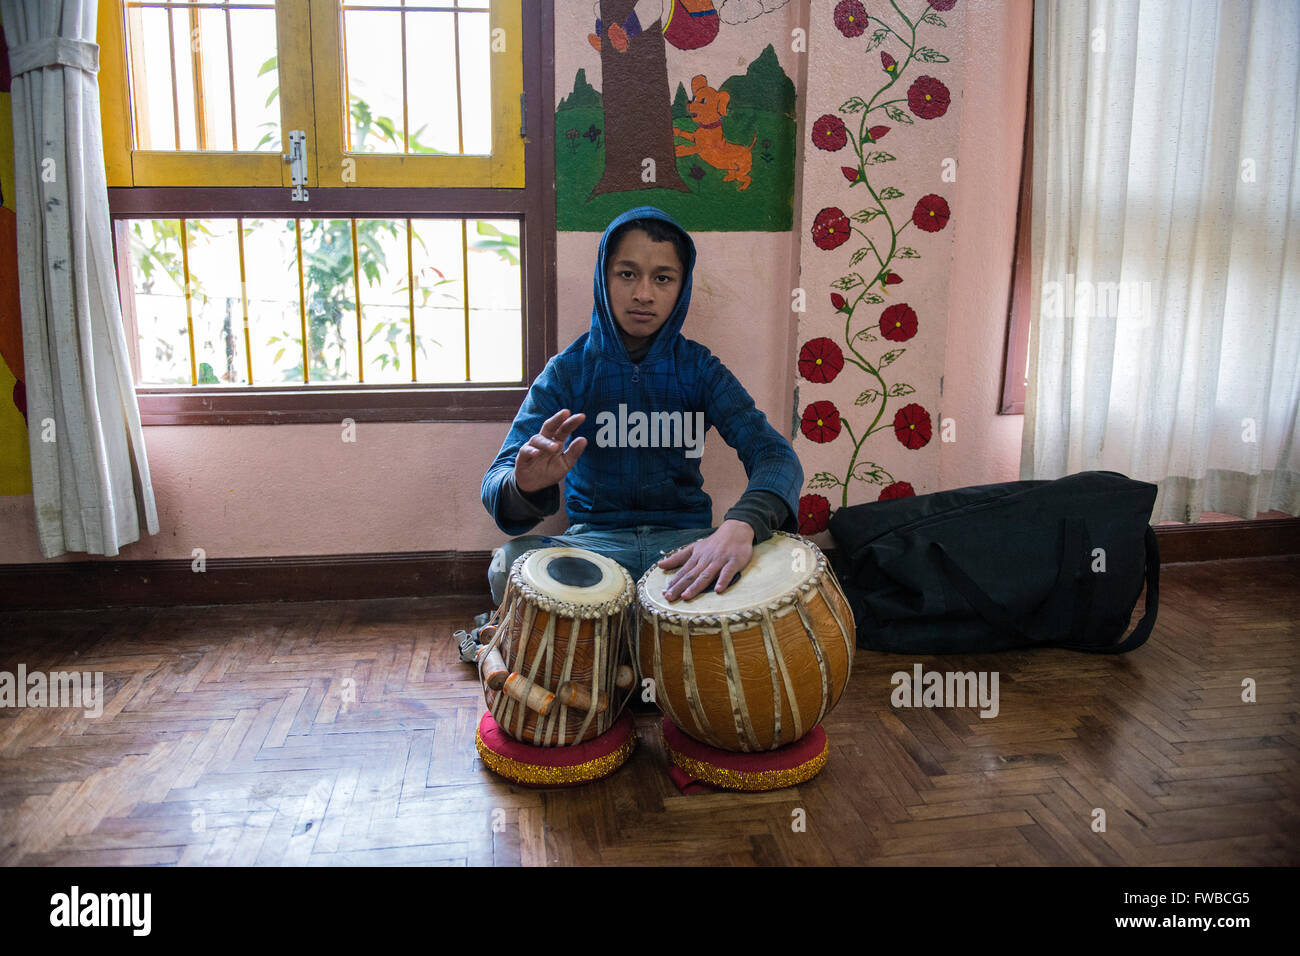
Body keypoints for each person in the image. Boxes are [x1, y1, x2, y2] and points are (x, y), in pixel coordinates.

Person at [462, 206, 801, 661]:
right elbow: (496, 484)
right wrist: (524, 484)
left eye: (663, 278)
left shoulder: (700, 369)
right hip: (595, 550)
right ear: (604, 278)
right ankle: (659, 644)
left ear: (682, 288)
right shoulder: (568, 372)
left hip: (686, 551)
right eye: (627, 274)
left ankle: (607, 647)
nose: (643, 294)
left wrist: (741, 526)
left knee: (786, 560)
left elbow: (776, 457)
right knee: (510, 564)